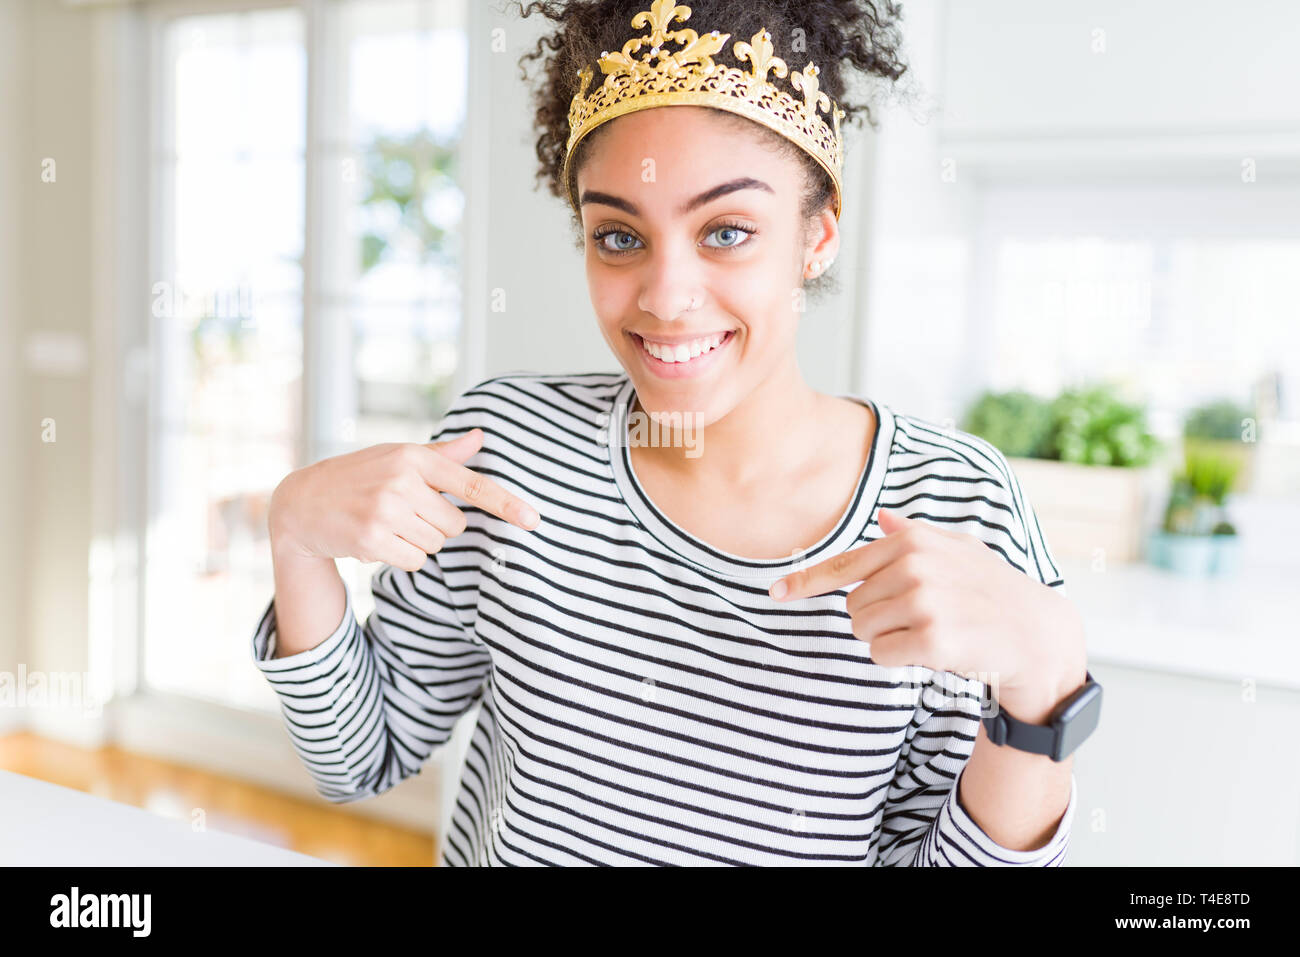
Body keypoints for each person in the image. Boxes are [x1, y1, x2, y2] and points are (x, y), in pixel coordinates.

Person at [251, 0, 1092, 866]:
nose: (665, 295)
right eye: (619, 236)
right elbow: (358, 755)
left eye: (726, 232)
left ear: (817, 235)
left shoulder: (955, 507)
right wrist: (297, 536)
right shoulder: (503, 450)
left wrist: (1048, 682)